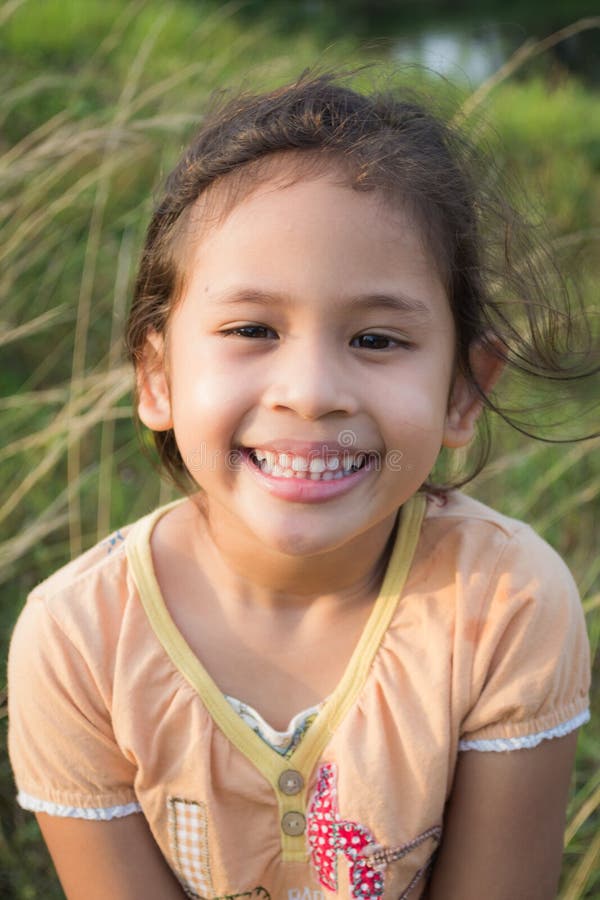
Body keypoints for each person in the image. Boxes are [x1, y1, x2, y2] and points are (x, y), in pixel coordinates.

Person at [7, 72, 596, 900]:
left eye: (378, 339)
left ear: (464, 390)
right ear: (157, 377)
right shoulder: (78, 644)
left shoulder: (505, 604)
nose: (312, 390)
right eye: (252, 329)